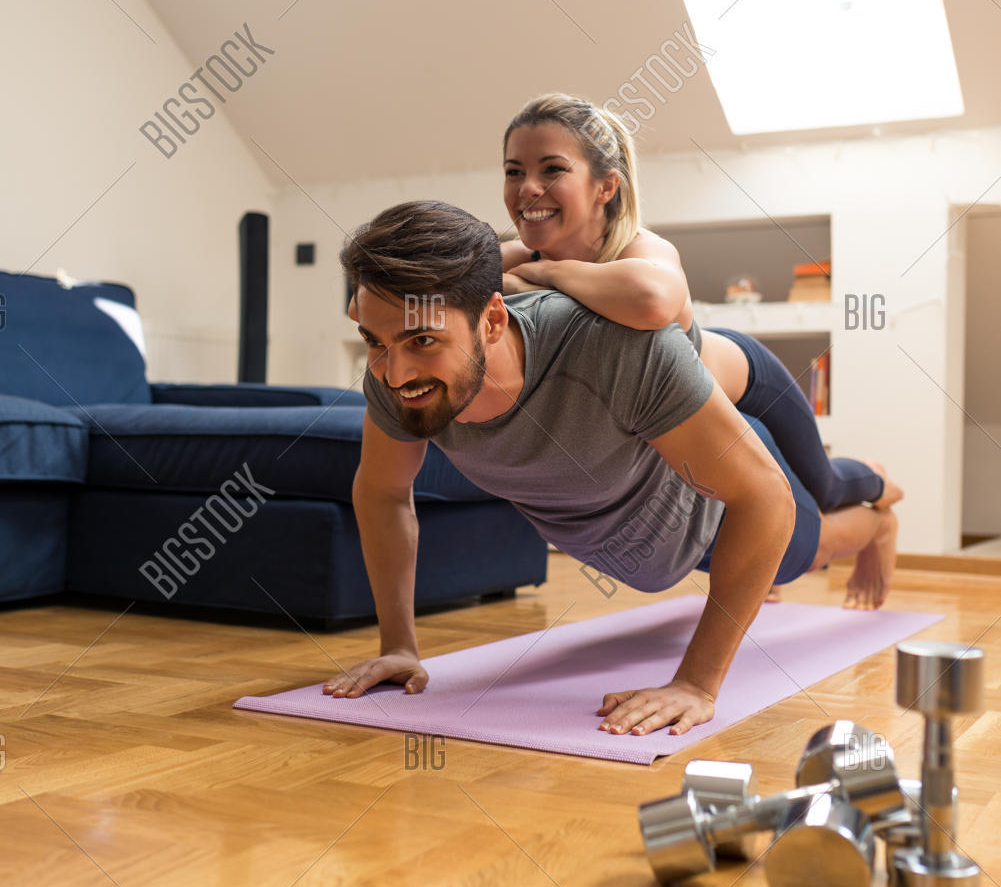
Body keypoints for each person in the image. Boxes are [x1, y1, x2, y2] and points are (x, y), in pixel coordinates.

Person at [324, 201, 900, 738]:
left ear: (493, 322)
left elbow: (765, 500)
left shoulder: (611, 347)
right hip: (649, 536)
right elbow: (383, 492)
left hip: (720, 503)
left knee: (809, 551)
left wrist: (697, 683)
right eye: (373, 341)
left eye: (423, 340)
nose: (394, 372)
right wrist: (399, 645)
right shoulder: (398, 378)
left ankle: (876, 517)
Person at [498, 93, 901, 609]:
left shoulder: (640, 247)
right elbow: (453, 274)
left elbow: (652, 300)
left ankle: (879, 500)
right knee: (788, 541)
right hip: (693, 413)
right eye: (514, 172)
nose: (528, 188)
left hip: (746, 378)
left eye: (551, 169)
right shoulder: (514, 254)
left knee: (822, 487)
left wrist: (546, 273)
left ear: (606, 186)